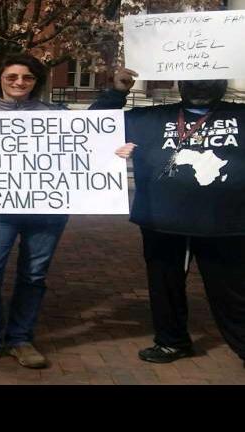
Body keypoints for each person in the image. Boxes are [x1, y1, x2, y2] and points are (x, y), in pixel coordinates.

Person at [0, 54, 134, 369]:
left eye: (27, 77)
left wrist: (116, 100)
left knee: (34, 276)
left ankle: (20, 339)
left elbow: (92, 130)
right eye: (12, 77)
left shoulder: (54, 113)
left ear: (37, 82)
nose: (19, 83)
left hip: (47, 209)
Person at [100, 75, 245, 369]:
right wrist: (117, 91)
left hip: (225, 223)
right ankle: (171, 341)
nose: (201, 86)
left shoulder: (240, 115)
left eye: (209, 79)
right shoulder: (149, 117)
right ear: (178, 83)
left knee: (232, 291)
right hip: (161, 221)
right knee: (164, 286)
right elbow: (95, 128)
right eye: (192, 80)